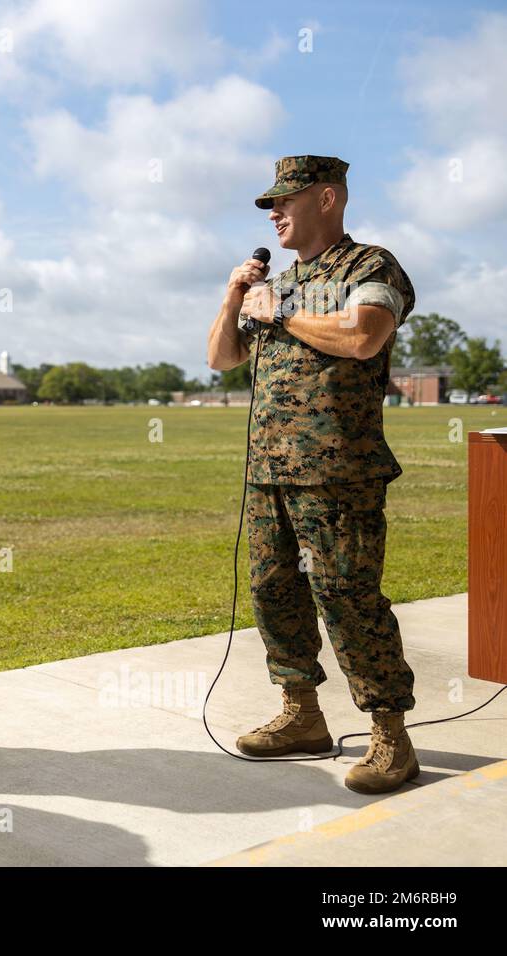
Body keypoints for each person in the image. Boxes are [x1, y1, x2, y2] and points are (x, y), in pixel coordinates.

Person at [206, 155, 419, 795]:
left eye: (285, 202)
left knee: (347, 597)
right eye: (269, 206)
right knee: (274, 592)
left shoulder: (368, 267)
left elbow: (364, 337)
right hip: (269, 470)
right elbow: (220, 358)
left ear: (326, 199)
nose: (274, 214)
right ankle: (301, 714)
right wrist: (235, 298)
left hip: (339, 472)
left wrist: (279, 314)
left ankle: (391, 736)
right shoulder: (275, 282)